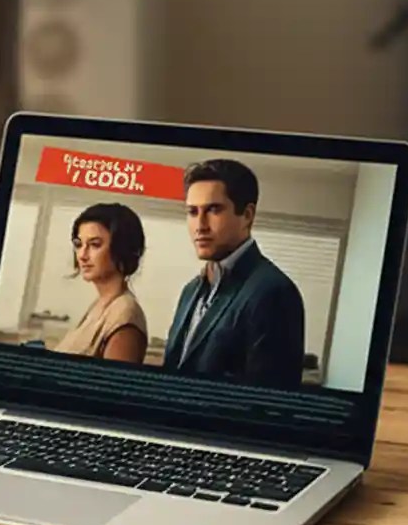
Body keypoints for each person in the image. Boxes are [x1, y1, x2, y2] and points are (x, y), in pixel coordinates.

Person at [164, 159, 305, 388]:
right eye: (192, 211)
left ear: (247, 215)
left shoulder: (273, 291)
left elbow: (269, 402)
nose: (200, 225)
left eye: (213, 210)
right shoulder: (190, 290)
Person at [52, 203, 149, 363]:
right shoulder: (99, 305)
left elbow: (113, 386)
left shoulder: (125, 316)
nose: (82, 255)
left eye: (95, 245)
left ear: (122, 249)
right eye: (78, 244)